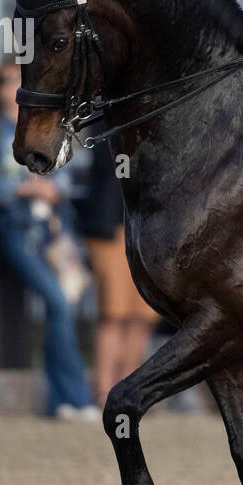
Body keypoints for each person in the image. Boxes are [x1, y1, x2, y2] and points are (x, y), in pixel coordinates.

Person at [0, 61, 97, 421]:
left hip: (54, 231)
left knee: (65, 308)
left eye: (17, 80)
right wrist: (16, 188)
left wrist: (52, 187)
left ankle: (60, 401)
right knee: (58, 305)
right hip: (18, 231)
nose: (11, 87)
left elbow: (67, 171)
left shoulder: (45, 124)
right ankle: (78, 397)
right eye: (5, 81)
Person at [73, 138, 162, 406]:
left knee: (144, 315)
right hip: (111, 225)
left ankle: (128, 389)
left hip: (148, 227)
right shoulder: (112, 115)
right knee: (114, 313)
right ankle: (104, 390)